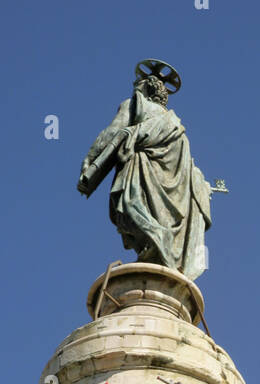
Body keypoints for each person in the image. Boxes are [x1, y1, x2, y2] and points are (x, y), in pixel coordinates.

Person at [78, 62, 213, 281]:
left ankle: (159, 238)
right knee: (135, 214)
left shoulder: (134, 105)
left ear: (145, 88)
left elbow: (111, 132)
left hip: (139, 172)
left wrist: (90, 159)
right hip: (171, 196)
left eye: (137, 85)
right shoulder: (176, 127)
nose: (134, 88)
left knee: (130, 209)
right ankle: (159, 242)